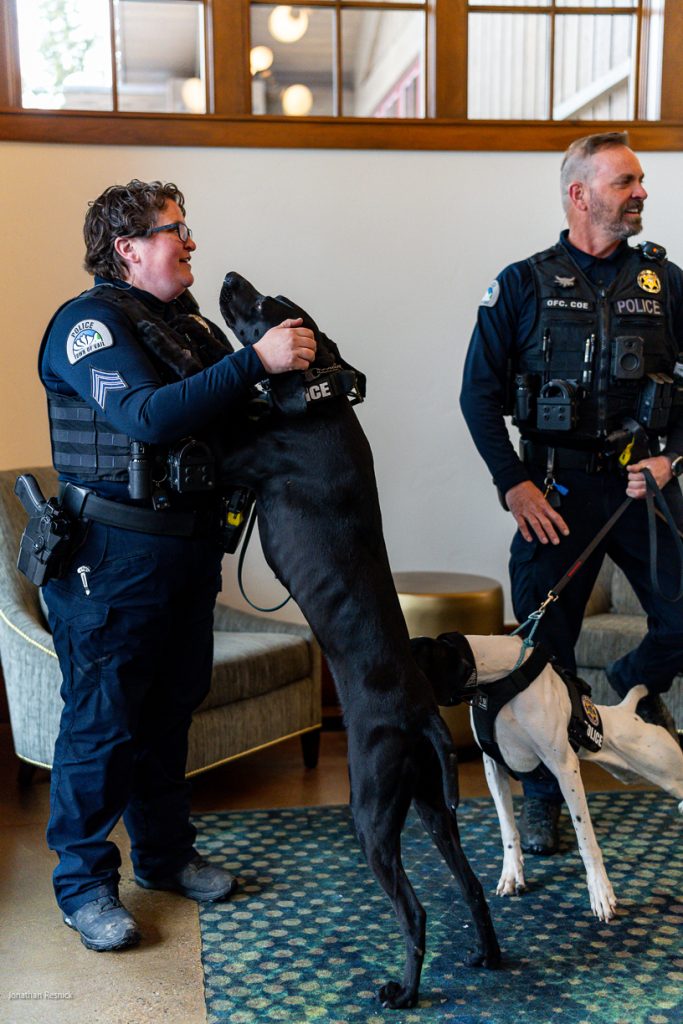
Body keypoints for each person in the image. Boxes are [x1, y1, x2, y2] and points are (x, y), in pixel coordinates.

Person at [38, 180, 316, 951]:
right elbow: (145, 416)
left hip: (189, 553)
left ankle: (163, 857)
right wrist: (255, 361)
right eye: (174, 230)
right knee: (103, 724)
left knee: (168, 715)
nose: (189, 241)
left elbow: (228, 412)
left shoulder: (186, 325)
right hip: (111, 561)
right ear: (127, 249)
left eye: (187, 228)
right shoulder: (86, 326)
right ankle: (84, 886)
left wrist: (288, 379)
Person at [460, 132, 683, 855]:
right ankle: (544, 799)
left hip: (638, 483)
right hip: (552, 488)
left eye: (639, 180)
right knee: (540, 645)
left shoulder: (664, 283)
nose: (640, 192)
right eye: (624, 182)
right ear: (578, 194)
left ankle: (612, 696)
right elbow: (476, 395)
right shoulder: (521, 284)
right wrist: (513, 483)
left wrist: (672, 459)